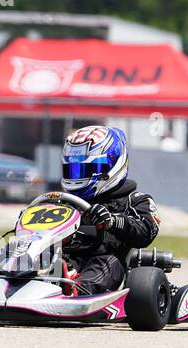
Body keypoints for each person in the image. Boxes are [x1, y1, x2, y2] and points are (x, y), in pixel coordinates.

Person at [58, 125, 160, 295]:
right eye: (74, 170)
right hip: (67, 260)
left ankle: (78, 290)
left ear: (112, 166)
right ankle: (12, 279)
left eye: (88, 169)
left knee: (106, 263)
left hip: (107, 262)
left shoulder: (135, 201)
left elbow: (146, 232)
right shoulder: (65, 202)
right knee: (45, 257)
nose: (78, 176)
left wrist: (112, 221)